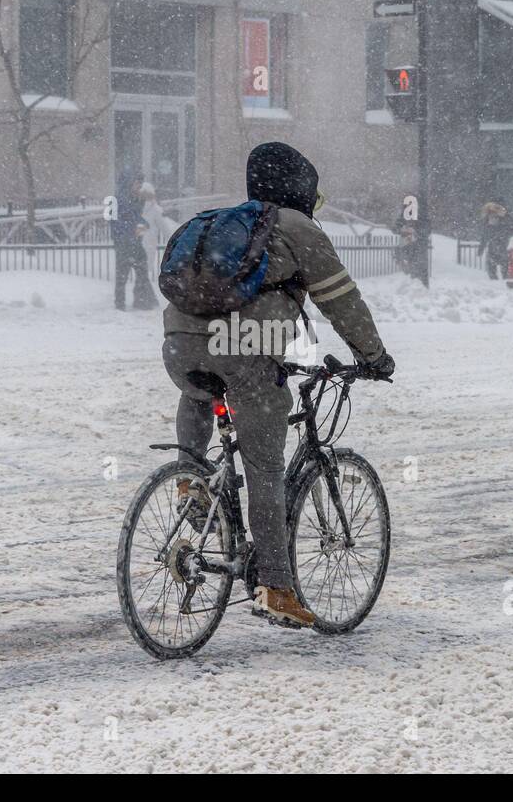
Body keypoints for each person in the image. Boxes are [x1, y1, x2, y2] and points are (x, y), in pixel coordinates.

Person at [162, 142, 395, 628]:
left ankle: (189, 476)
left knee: (200, 388)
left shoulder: (221, 221)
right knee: (265, 466)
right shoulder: (298, 229)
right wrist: (373, 358)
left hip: (179, 343)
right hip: (247, 349)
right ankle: (276, 585)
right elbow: (342, 302)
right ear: (302, 189)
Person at [112, 171, 157, 311]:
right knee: (122, 274)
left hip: (135, 242)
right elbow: (115, 223)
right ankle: (120, 304)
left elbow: (135, 217)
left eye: (140, 183)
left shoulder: (134, 198)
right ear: (129, 183)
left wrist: (143, 224)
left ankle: (141, 300)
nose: (139, 186)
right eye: (137, 183)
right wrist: (134, 228)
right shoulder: (117, 200)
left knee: (141, 271)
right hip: (124, 243)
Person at [479, 197, 513, 280]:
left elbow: (485, 235)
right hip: (500, 246)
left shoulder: (503, 218)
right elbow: (485, 234)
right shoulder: (506, 218)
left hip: (499, 246)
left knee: (495, 267)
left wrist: (481, 247)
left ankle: (499, 281)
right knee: (500, 267)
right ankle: (500, 282)